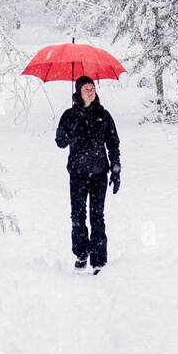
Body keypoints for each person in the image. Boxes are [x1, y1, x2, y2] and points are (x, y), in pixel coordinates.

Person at [55, 75, 121, 273]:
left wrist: (116, 169)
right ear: (79, 92)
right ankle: (81, 253)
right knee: (77, 215)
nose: (90, 91)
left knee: (97, 215)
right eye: (86, 88)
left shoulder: (103, 114)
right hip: (77, 173)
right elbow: (60, 142)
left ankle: (99, 260)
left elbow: (113, 143)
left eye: (92, 88)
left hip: (99, 172)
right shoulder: (69, 115)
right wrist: (70, 129)